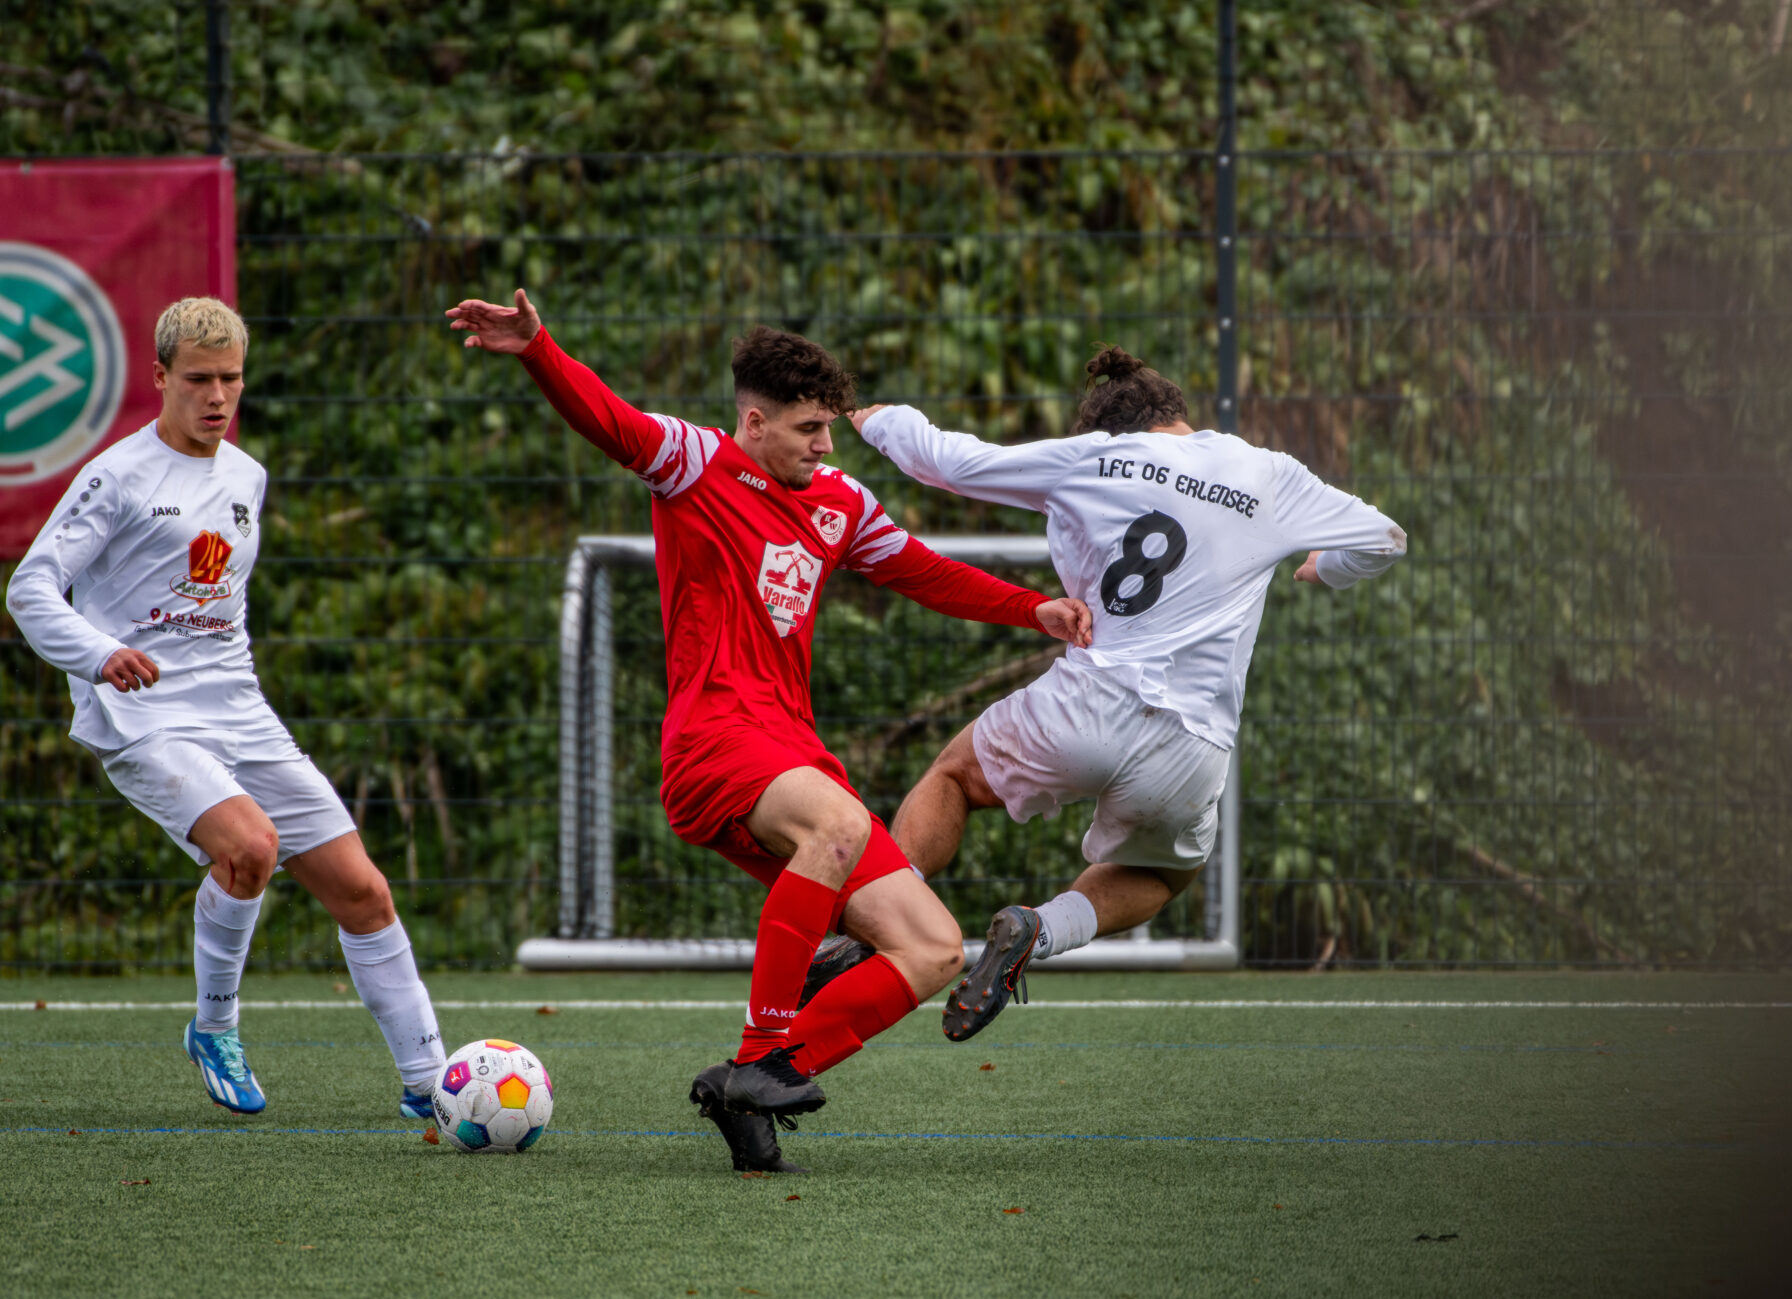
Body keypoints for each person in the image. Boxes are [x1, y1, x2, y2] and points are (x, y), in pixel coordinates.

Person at [446, 290, 1092, 1171]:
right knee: (834, 824)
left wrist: (1035, 609)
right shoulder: (693, 464)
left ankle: (752, 1081)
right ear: (754, 422)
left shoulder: (840, 502)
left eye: (828, 427)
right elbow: (608, 418)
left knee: (934, 946)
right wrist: (536, 348)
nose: (826, 444)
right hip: (716, 740)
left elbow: (923, 572)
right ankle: (763, 1042)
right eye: (808, 428)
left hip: (791, 749)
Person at [847, 344, 1408, 1041]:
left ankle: (882, 916)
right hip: (1192, 747)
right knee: (1163, 875)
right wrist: (1327, 568)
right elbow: (1387, 538)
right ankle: (1038, 929)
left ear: (1109, 429)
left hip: (1088, 703)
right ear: (1178, 416)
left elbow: (951, 462)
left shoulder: (1092, 459)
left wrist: (875, 419)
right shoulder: (1266, 473)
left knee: (955, 776)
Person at [6, 298, 446, 1118]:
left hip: (237, 710)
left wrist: (244, 703)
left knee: (364, 891)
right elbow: (30, 586)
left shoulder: (246, 476)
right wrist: (101, 655)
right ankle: (216, 1027)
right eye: (199, 379)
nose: (217, 396)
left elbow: (221, 604)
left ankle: (434, 1082)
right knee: (250, 847)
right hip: (141, 713)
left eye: (231, 379)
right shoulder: (117, 476)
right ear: (161, 377)